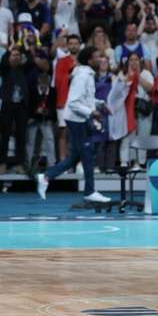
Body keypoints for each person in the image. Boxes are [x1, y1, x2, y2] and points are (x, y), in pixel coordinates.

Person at [36, 47, 107, 203]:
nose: (101, 59)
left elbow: (85, 99)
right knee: (87, 154)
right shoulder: (83, 76)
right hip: (77, 120)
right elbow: (74, 103)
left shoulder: (86, 74)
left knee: (76, 156)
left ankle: (46, 176)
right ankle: (89, 191)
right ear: (89, 60)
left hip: (78, 119)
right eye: (97, 56)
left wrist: (100, 104)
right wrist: (91, 113)